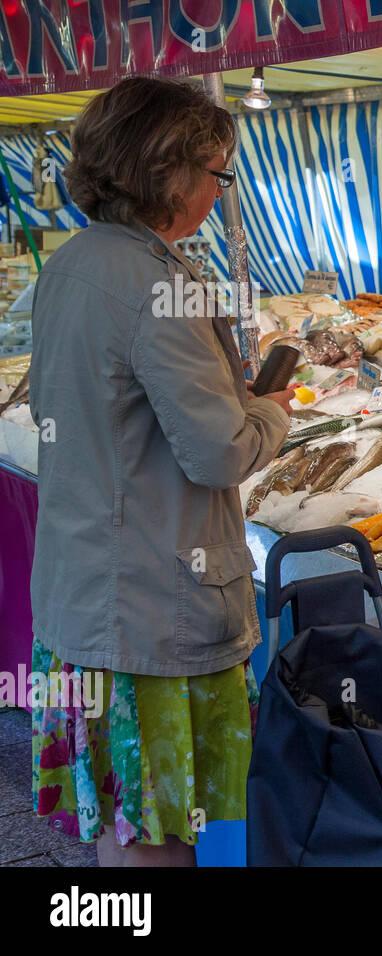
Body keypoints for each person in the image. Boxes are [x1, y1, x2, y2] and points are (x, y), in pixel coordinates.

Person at [28, 77, 294, 866]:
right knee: (161, 830)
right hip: (149, 607)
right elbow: (218, 452)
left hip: (87, 594)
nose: (221, 189)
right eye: (217, 171)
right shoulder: (161, 285)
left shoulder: (71, 264)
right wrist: (272, 411)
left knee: (127, 821)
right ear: (168, 171)